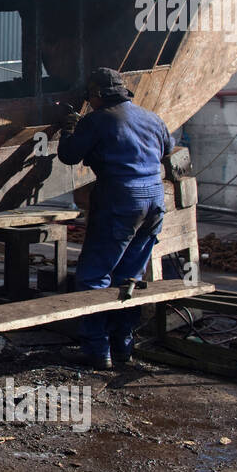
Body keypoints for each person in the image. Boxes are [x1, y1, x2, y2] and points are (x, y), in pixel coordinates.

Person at [56, 68, 174, 369]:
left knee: (94, 276)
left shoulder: (98, 119)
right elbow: (168, 149)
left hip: (121, 200)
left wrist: (69, 129)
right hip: (155, 200)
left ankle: (98, 351)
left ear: (96, 96)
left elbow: (69, 155)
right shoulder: (151, 116)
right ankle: (123, 346)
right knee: (129, 277)